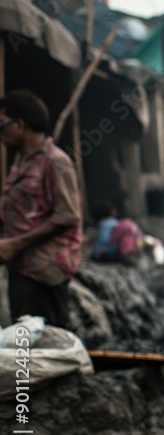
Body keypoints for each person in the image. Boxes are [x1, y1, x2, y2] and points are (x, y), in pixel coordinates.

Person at [0, 90, 83, 328]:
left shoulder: (56, 162)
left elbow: (68, 215)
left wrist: (15, 243)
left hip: (44, 271)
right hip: (22, 268)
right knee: (27, 343)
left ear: (19, 125)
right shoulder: (19, 162)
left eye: (1, 124)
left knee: (46, 347)